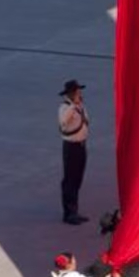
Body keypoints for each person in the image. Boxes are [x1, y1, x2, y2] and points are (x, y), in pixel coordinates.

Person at [59, 78, 90, 224]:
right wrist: (74, 106)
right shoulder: (65, 108)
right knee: (70, 180)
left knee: (77, 178)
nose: (80, 93)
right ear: (71, 94)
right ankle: (68, 213)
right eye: (77, 91)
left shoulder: (80, 107)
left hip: (81, 146)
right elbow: (64, 122)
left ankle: (74, 210)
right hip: (71, 147)